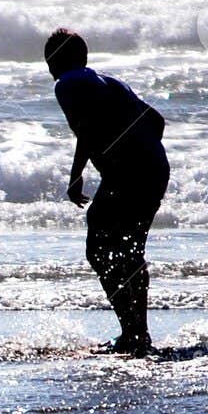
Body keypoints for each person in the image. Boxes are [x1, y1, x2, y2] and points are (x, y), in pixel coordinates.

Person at [44, 29, 169, 357]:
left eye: (49, 62)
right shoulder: (111, 83)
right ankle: (137, 335)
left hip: (129, 174)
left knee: (99, 248)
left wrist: (76, 176)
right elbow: (157, 121)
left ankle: (133, 334)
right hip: (154, 170)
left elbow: (87, 124)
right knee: (129, 251)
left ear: (55, 62)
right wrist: (136, 152)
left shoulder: (68, 83)